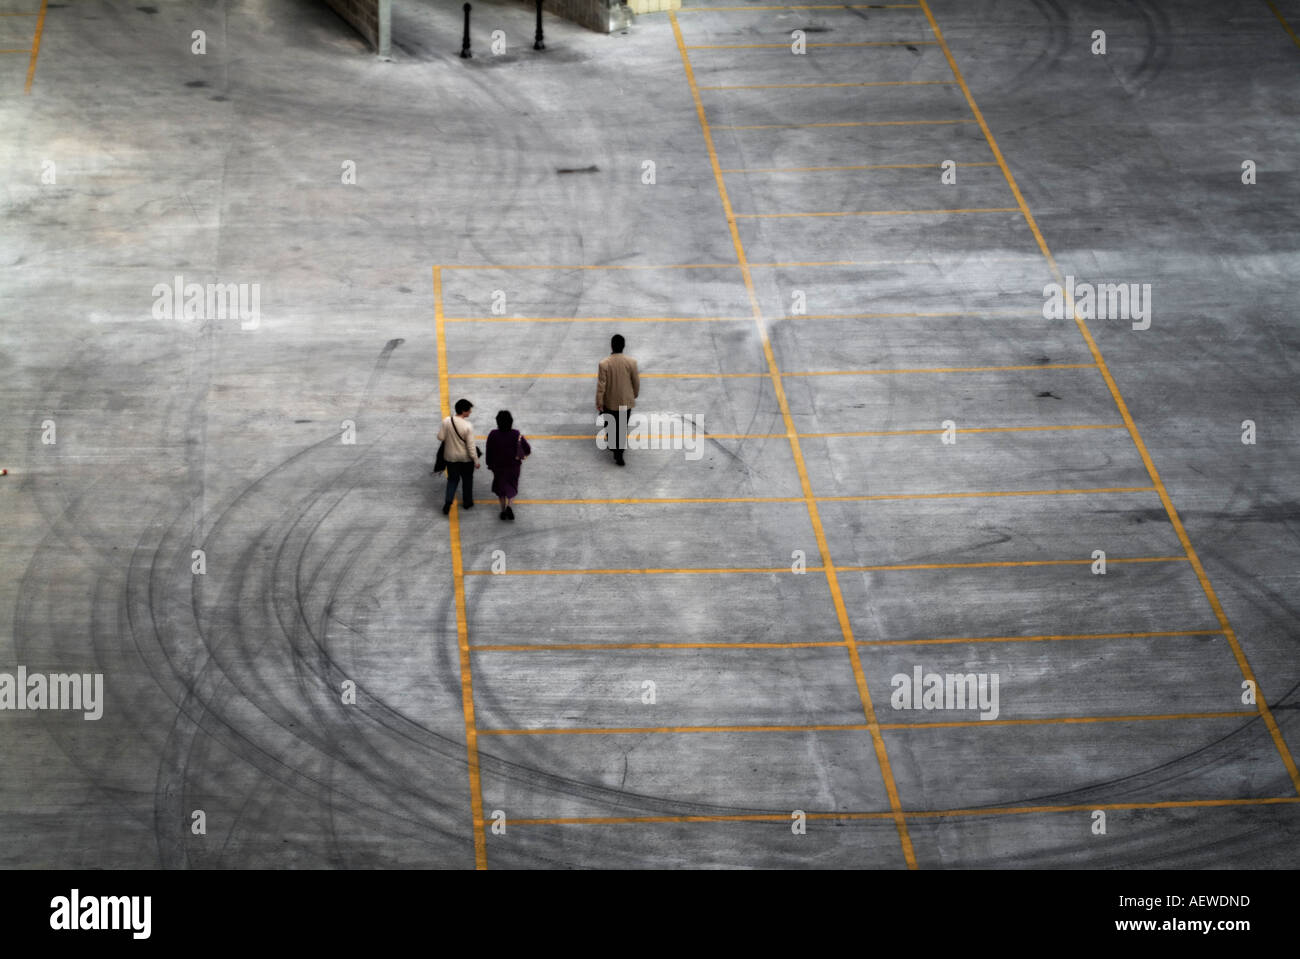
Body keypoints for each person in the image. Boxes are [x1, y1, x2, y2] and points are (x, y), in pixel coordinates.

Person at [596, 333, 639, 466]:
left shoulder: (604, 364)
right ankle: (619, 453)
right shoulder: (631, 362)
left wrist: (599, 402)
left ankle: (613, 445)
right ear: (624, 346)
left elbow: (601, 385)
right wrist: (634, 395)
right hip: (626, 401)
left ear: (611, 346)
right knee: (622, 427)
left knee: (610, 425)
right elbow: (635, 382)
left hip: (610, 401)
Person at [486, 410, 531, 521]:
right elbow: (527, 449)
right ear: (511, 422)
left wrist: (489, 464)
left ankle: (502, 511)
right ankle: (509, 506)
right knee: (512, 485)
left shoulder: (493, 434)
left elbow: (489, 451)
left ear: (498, 422)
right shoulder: (516, 434)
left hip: (498, 466)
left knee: (500, 487)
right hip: (513, 466)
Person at [437, 398, 480, 515]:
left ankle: (448, 503)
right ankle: (467, 503)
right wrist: (476, 460)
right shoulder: (468, 426)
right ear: (463, 411)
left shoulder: (447, 421)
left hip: (450, 458)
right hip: (466, 459)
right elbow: (471, 447)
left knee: (452, 480)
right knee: (467, 480)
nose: (470, 412)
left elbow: (440, 437)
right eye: (469, 410)